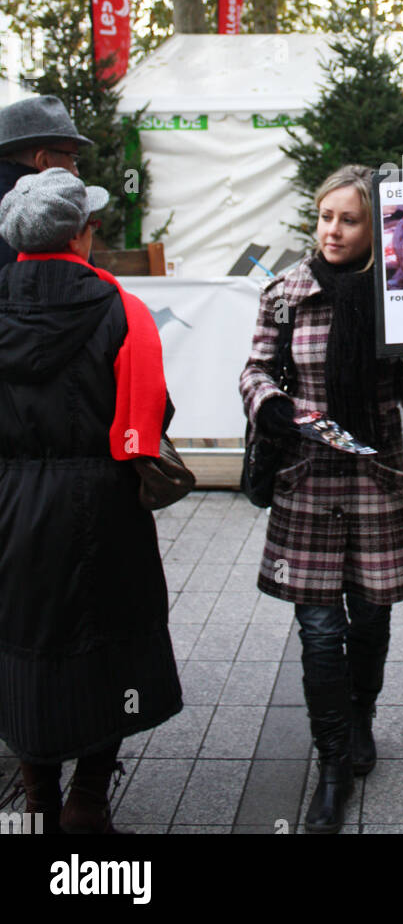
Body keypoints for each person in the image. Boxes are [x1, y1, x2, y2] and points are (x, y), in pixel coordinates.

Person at [239, 164, 403, 835]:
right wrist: (269, 405)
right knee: (318, 629)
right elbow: (254, 367)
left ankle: (361, 715)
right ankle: (332, 764)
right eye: (325, 217)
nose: (332, 231)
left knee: (369, 620)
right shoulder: (285, 291)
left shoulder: (401, 295)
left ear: (375, 227)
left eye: (349, 219)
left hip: (377, 480)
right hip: (307, 479)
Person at [0, 169, 182, 833]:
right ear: (79, 233)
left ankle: (38, 797)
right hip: (102, 502)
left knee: (21, 644)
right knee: (113, 641)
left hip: (8, 504)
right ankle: (90, 798)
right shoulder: (122, 309)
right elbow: (148, 418)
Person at [0, 94, 92, 267]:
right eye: (72, 158)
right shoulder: (55, 212)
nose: (76, 171)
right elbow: (84, 284)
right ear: (43, 161)